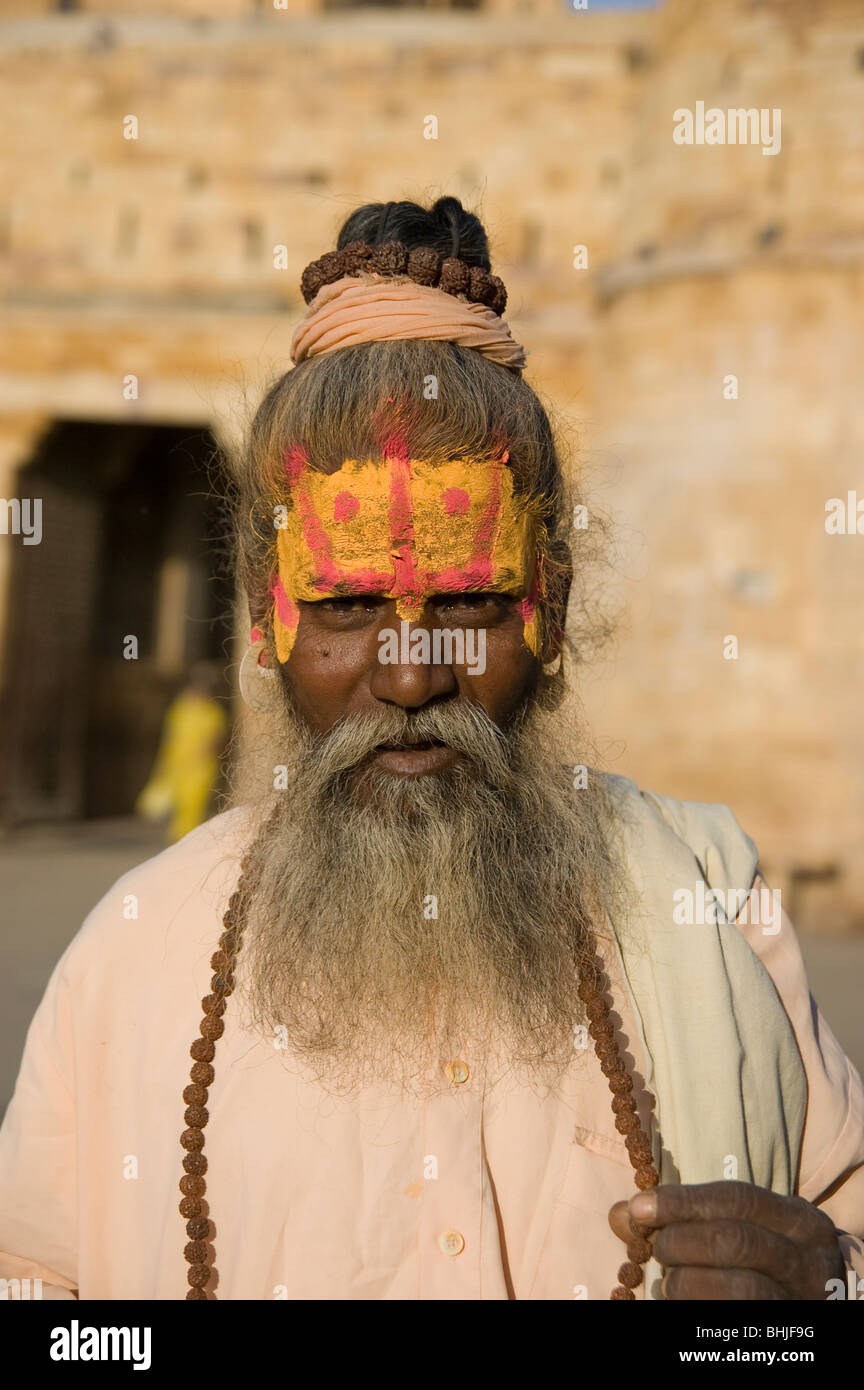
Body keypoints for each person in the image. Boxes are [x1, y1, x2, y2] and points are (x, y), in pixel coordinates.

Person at [0, 197, 861, 1302]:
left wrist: (817, 1293)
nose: (411, 677)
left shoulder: (706, 903)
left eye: (468, 600)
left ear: (550, 606)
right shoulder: (132, 956)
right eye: (350, 605)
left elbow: (841, 1228)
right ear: (270, 622)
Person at [135, 662, 229, 843]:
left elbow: (218, 738)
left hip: (200, 766)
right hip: (178, 763)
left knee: (193, 804)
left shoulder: (211, 712)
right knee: (180, 802)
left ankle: (184, 839)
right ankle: (179, 839)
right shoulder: (182, 709)